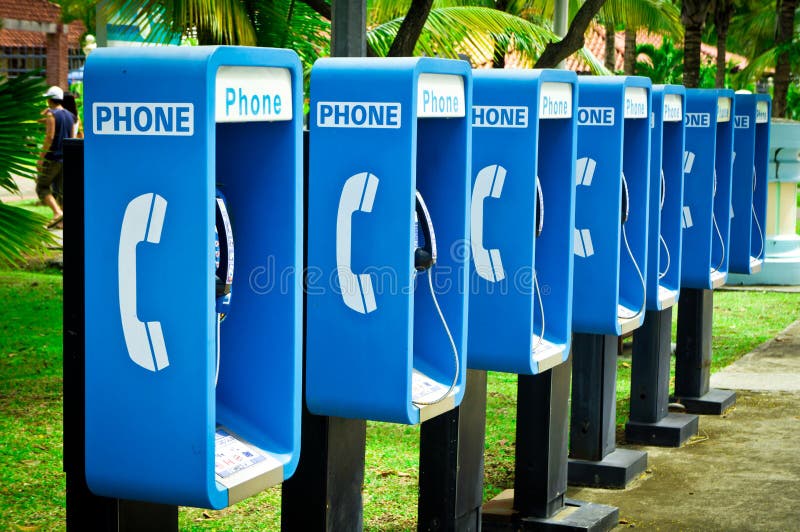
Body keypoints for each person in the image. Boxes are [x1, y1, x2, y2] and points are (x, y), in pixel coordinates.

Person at [37, 86, 75, 228]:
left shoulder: (51, 115)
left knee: (42, 187)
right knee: (61, 191)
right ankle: (64, 222)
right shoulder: (70, 116)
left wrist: (41, 158)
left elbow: (49, 137)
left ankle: (57, 212)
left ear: (49, 99)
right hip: (66, 158)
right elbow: (71, 137)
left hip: (53, 158)